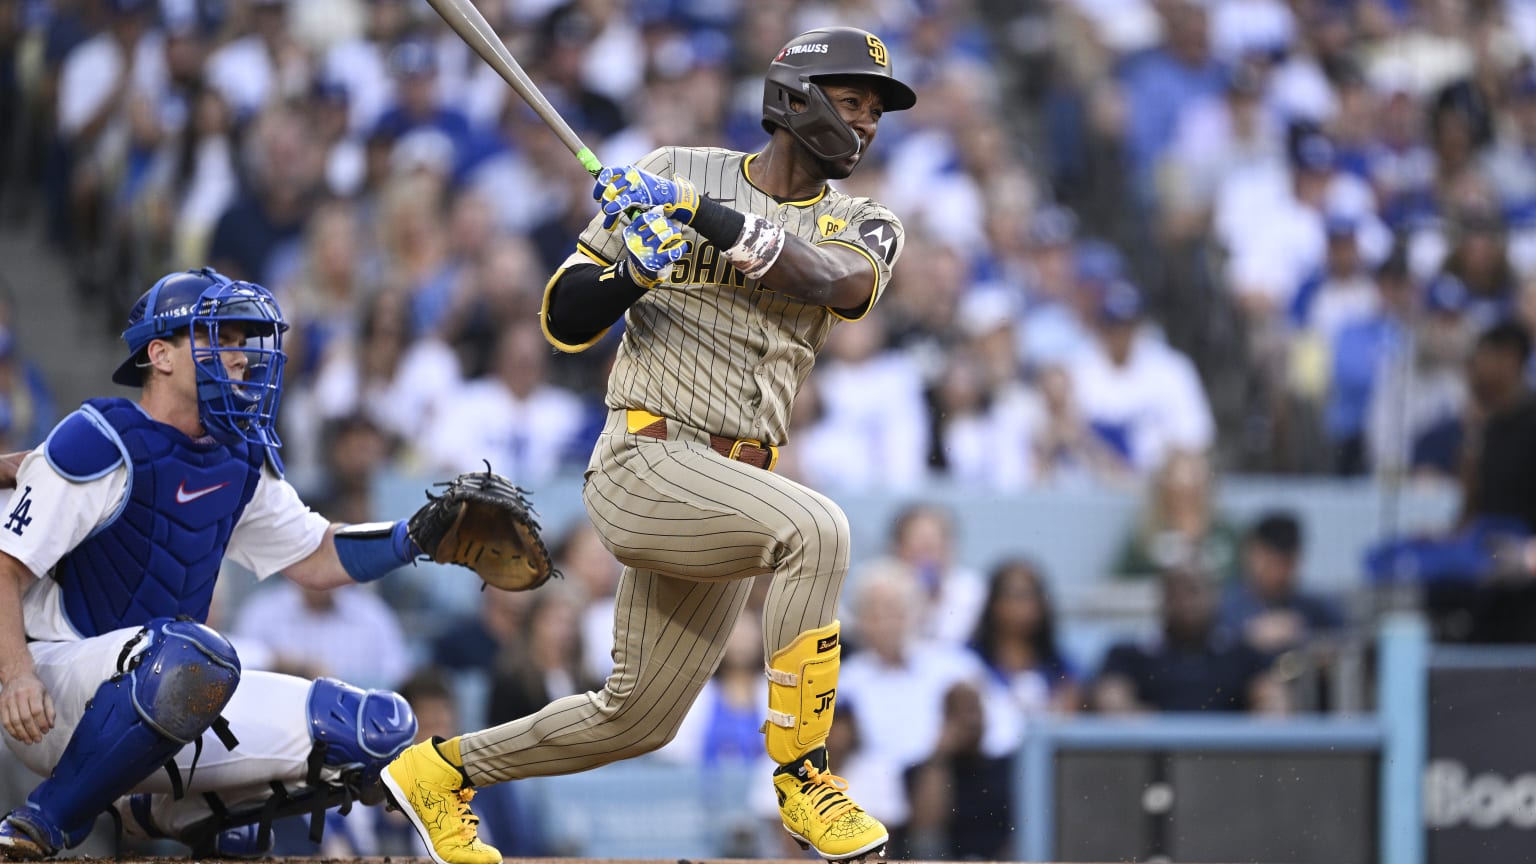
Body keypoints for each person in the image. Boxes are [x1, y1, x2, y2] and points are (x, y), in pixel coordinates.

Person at [380, 25, 917, 864]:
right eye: (852, 101)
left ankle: (438, 772)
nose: (868, 121)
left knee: (638, 717)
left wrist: (700, 220)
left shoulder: (865, 220)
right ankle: (804, 776)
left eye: (876, 109)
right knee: (819, 531)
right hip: (647, 458)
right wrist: (634, 266)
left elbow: (834, 284)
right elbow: (563, 319)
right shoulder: (675, 169)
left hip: (733, 493)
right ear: (794, 99)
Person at [0, 268, 492, 860]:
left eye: (242, 342)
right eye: (220, 338)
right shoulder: (99, 438)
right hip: (55, 693)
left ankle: (172, 808)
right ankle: (43, 821)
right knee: (196, 652)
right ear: (160, 355)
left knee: (375, 727)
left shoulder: (236, 456)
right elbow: (6, 568)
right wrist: (18, 674)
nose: (238, 358)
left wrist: (417, 537)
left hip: (171, 692)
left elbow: (317, 555)